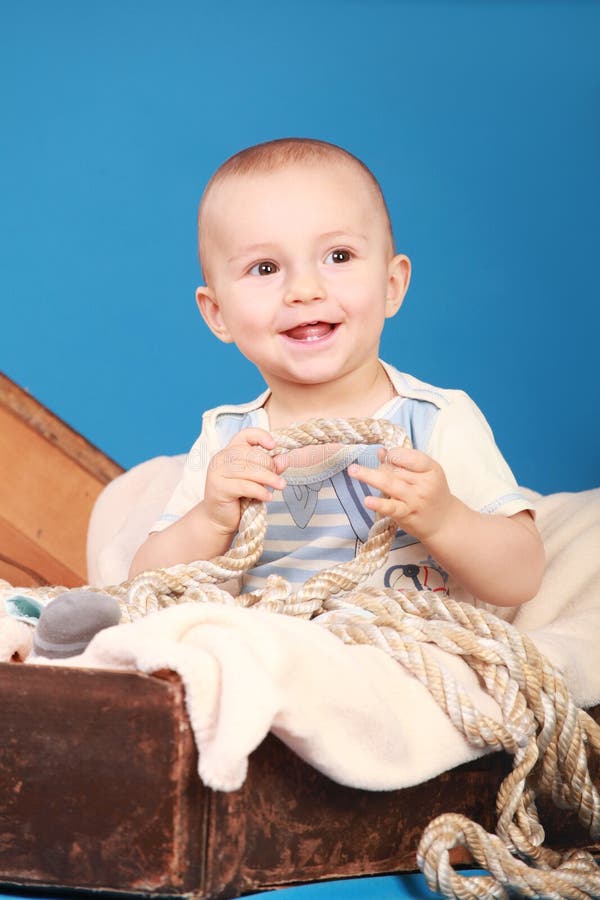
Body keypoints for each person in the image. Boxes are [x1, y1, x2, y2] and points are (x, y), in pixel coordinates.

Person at [129, 138, 544, 610]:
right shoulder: (229, 440)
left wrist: (445, 519)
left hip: (395, 648)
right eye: (265, 268)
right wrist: (209, 520)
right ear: (217, 312)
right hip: (274, 649)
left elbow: (521, 577)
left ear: (392, 286)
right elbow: (144, 585)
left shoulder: (432, 420)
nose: (304, 290)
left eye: (339, 256)